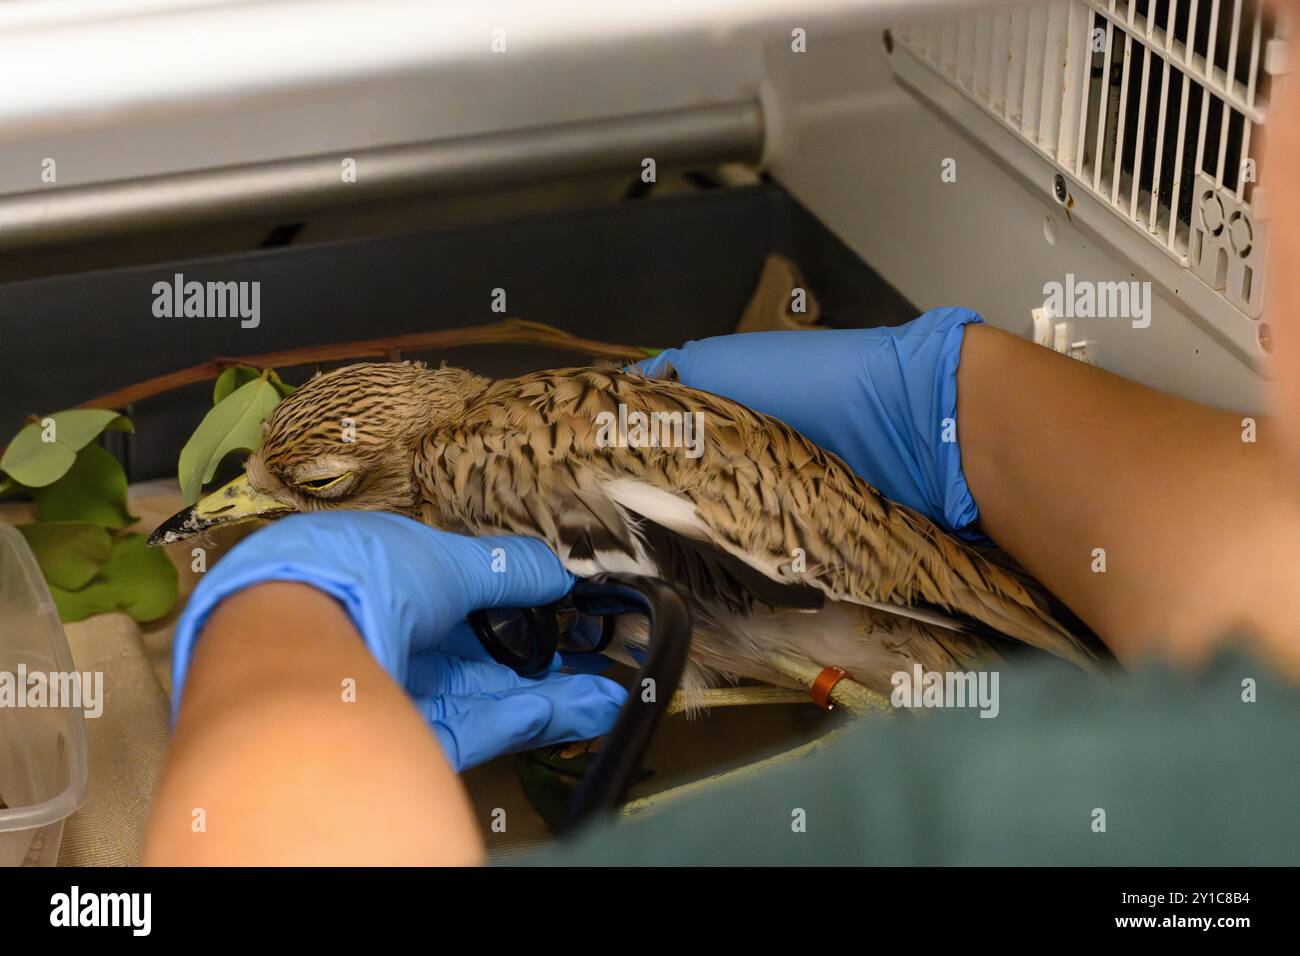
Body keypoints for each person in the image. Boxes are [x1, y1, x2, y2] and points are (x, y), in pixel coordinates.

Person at [142, 53, 1300, 872]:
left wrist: (279, 623)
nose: (1253, 156)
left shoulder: (1043, 811)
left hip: (882, 633)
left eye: (1276, 55)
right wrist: (967, 401)